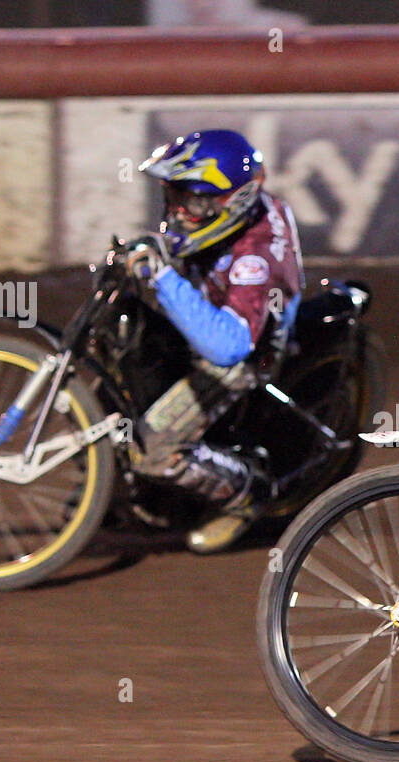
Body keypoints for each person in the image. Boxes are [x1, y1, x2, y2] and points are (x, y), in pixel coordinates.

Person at [122, 128, 304, 552]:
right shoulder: (242, 209)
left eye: (192, 201)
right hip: (217, 306)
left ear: (228, 202)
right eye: (175, 197)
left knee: (153, 447)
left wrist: (163, 276)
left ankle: (247, 494)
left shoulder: (257, 258)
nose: (179, 212)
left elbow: (228, 347)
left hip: (249, 353)